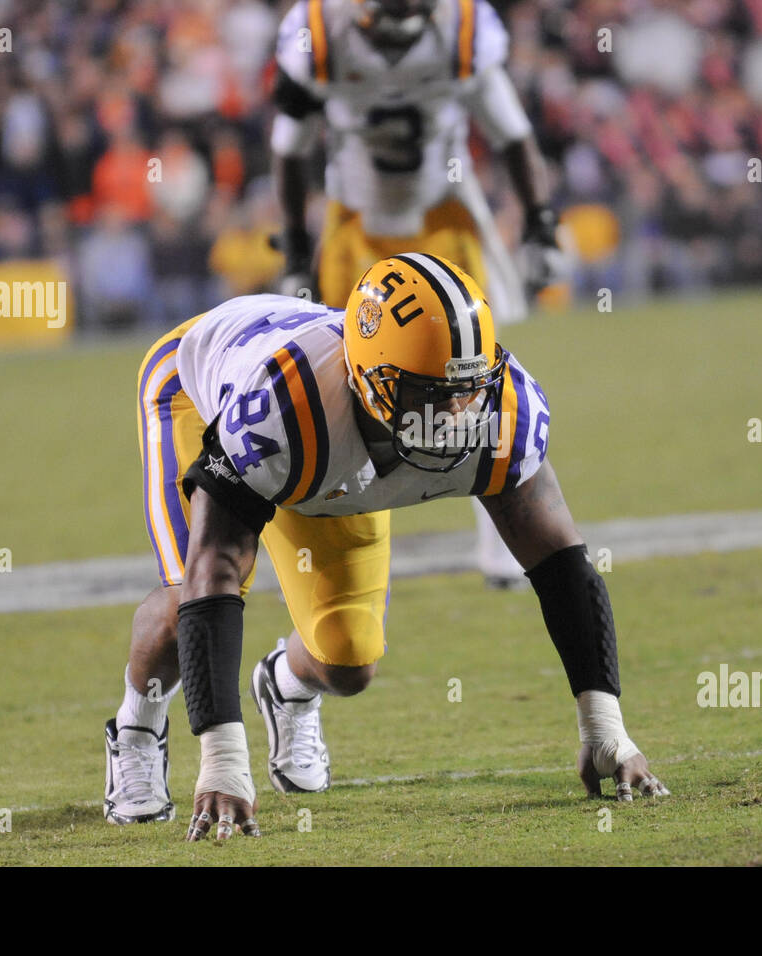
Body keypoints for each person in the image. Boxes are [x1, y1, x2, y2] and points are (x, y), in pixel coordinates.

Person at [103, 254, 665, 839]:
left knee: (349, 659)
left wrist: (605, 728)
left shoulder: (498, 411)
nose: (453, 415)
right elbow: (213, 573)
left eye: (466, 391)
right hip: (200, 392)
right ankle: (137, 729)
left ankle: (284, 685)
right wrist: (224, 761)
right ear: (371, 382)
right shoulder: (282, 412)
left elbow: (559, 562)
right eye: (430, 395)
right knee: (181, 598)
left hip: (324, 458)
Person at [269, 0, 570, 588]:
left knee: (475, 380)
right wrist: (296, 253)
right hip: (356, 224)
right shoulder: (318, 34)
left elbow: (511, 132)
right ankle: (329, 546)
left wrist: (540, 219)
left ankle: (501, 541)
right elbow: (290, 150)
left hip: (442, 216)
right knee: (334, 380)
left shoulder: (462, 30)